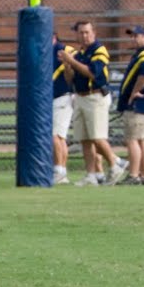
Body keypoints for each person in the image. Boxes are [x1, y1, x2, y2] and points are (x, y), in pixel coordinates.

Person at [61, 20, 126, 186]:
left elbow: (92, 73)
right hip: (81, 96)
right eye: (81, 32)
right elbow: (70, 79)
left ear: (94, 33)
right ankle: (91, 174)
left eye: (87, 32)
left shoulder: (99, 50)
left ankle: (115, 163)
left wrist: (72, 61)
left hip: (95, 97)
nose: (84, 36)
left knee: (97, 136)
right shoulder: (78, 54)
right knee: (85, 139)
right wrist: (67, 65)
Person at [115, 25, 144, 185]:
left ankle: (134, 175)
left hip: (138, 103)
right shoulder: (141, 54)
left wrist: (133, 93)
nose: (133, 39)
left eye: (136, 36)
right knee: (142, 139)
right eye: (132, 36)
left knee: (133, 139)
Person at [50, 34, 73, 185]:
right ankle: (61, 171)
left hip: (62, 97)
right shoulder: (47, 51)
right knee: (60, 137)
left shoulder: (61, 49)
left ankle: (59, 170)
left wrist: (68, 63)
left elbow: (73, 54)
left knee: (55, 136)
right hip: (57, 98)